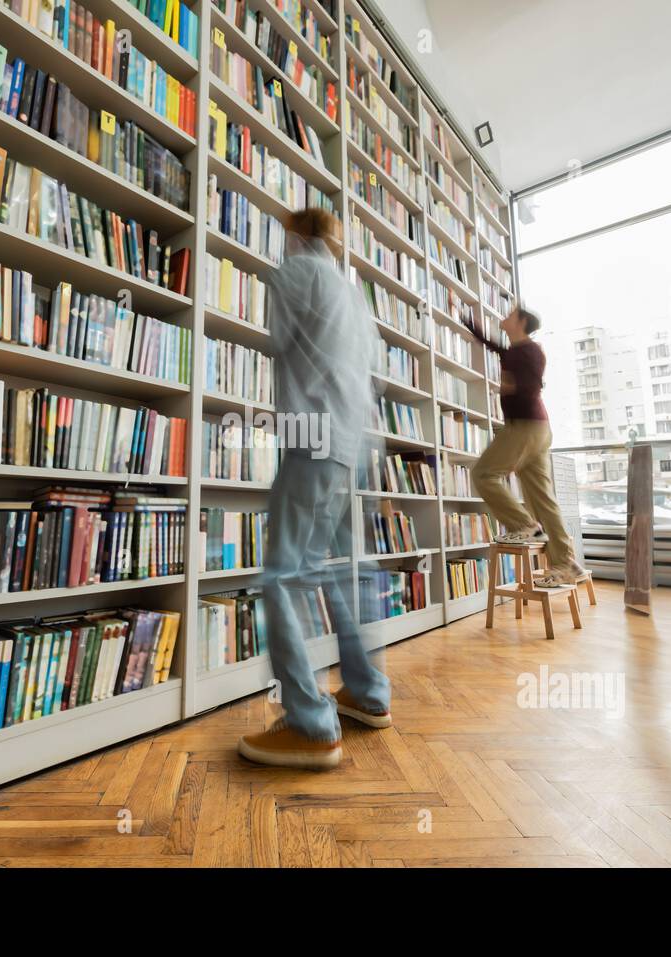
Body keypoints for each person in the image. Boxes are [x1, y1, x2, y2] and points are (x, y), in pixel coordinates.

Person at [237, 208, 392, 771]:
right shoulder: (355, 294)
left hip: (312, 436)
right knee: (333, 569)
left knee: (280, 574)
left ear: (296, 236)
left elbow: (279, 340)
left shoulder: (294, 273)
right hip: (354, 444)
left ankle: (309, 723)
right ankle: (368, 692)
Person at [463, 306, 587, 588]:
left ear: (520, 322)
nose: (503, 319)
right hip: (538, 428)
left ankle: (525, 526)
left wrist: (512, 387)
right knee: (543, 498)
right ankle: (567, 564)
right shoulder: (517, 349)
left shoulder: (529, 351)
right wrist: (466, 318)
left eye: (509, 315)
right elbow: (491, 344)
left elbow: (533, 383)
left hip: (524, 426)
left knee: (483, 474)